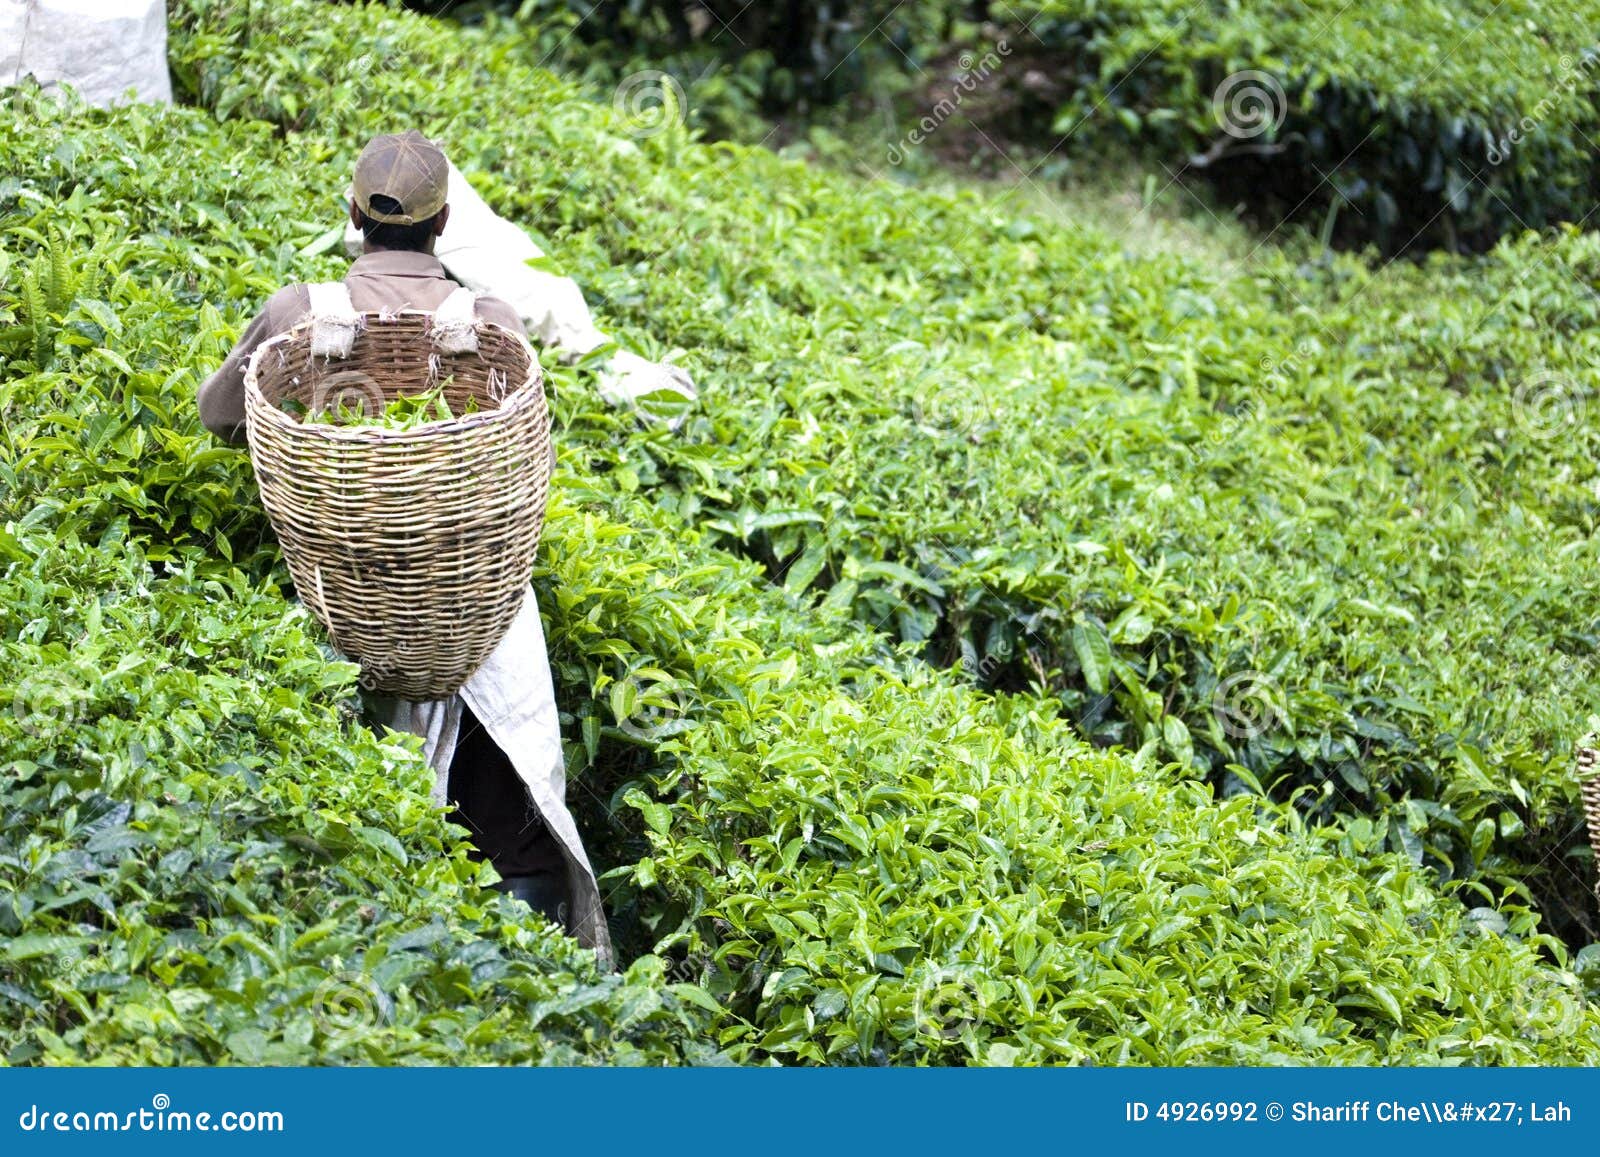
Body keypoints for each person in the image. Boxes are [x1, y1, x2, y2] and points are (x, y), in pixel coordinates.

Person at [197, 131, 611, 963]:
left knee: (371, 827)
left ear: (354, 216)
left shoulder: (298, 312)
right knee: (509, 829)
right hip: (473, 612)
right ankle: (533, 1000)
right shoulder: (483, 321)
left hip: (344, 602)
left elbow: (218, 414)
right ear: (444, 221)